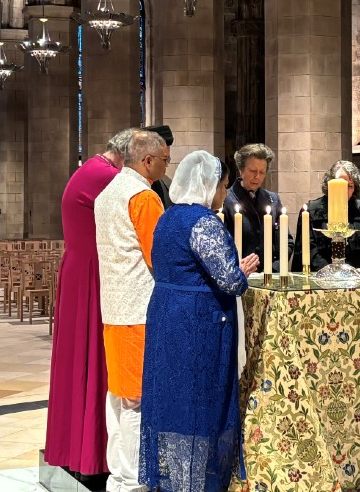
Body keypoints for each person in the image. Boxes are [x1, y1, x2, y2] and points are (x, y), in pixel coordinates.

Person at [139, 151, 259, 492]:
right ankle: (199, 482)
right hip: (197, 322)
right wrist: (243, 271)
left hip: (165, 314)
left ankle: (174, 478)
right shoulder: (203, 222)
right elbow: (230, 281)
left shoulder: (167, 217)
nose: (223, 194)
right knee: (200, 398)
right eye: (221, 186)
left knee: (171, 397)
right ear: (208, 185)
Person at [45, 127, 134, 478]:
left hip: (79, 270)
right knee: (96, 359)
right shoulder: (108, 177)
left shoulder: (92, 169)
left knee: (77, 363)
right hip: (92, 275)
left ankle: (75, 447)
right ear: (127, 157)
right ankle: (92, 454)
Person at [94, 130, 169, 492]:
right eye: (165, 160)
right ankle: (136, 479)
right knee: (139, 401)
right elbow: (160, 256)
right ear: (148, 161)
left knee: (119, 399)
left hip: (113, 309)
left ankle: (120, 476)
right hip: (140, 309)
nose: (168, 167)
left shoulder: (107, 193)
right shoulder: (144, 196)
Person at [291, 160, 360, 271]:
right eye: (340, 184)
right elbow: (308, 250)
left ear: (355, 187)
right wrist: (333, 274)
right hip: (322, 279)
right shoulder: (312, 211)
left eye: (349, 186)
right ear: (329, 184)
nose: (344, 191)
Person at [223, 143, 293, 272]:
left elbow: (287, 242)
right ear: (241, 169)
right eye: (253, 171)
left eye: (262, 172)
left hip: (270, 275)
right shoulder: (225, 199)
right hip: (240, 275)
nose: (257, 177)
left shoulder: (273, 199)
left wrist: (274, 268)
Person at [145, 125, 174, 208]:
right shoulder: (137, 189)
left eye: (168, 159)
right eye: (165, 159)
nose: (167, 165)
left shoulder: (165, 182)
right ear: (149, 160)